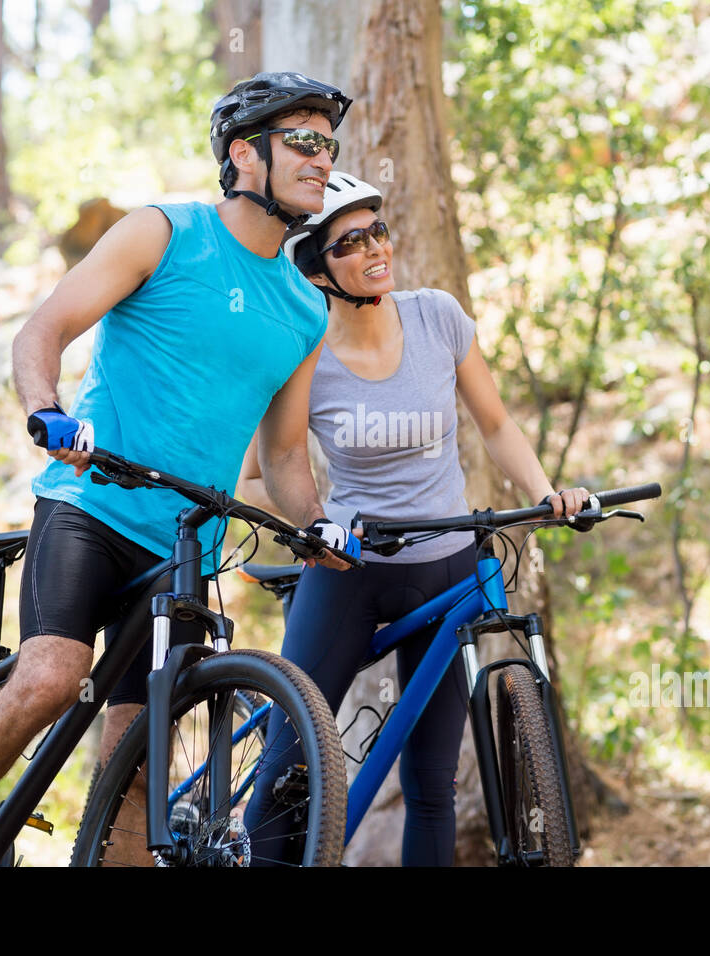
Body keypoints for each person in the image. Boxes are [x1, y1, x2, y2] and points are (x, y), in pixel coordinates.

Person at [0, 72, 362, 866]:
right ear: (246, 154)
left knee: (136, 765)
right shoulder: (164, 232)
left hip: (184, 548)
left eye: (329, 145)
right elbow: (44, 328)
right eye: (304, 141)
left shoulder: (305, 308)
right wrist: (47, 410)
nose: (321, 159)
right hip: (90, 506)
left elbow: (281, 455)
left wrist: (316, 527)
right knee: (52, 676)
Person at [236, 173, 590, 866]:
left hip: (448, 564)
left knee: (432, 785)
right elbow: (257, 474)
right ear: (316, 268)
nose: (375, 248)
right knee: (285, 772)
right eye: (351, 241)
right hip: (349, 573)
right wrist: (319, 524)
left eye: (379, 230)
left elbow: (494, 423)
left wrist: (549, 491)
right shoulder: (303, 350)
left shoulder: (438, 317)